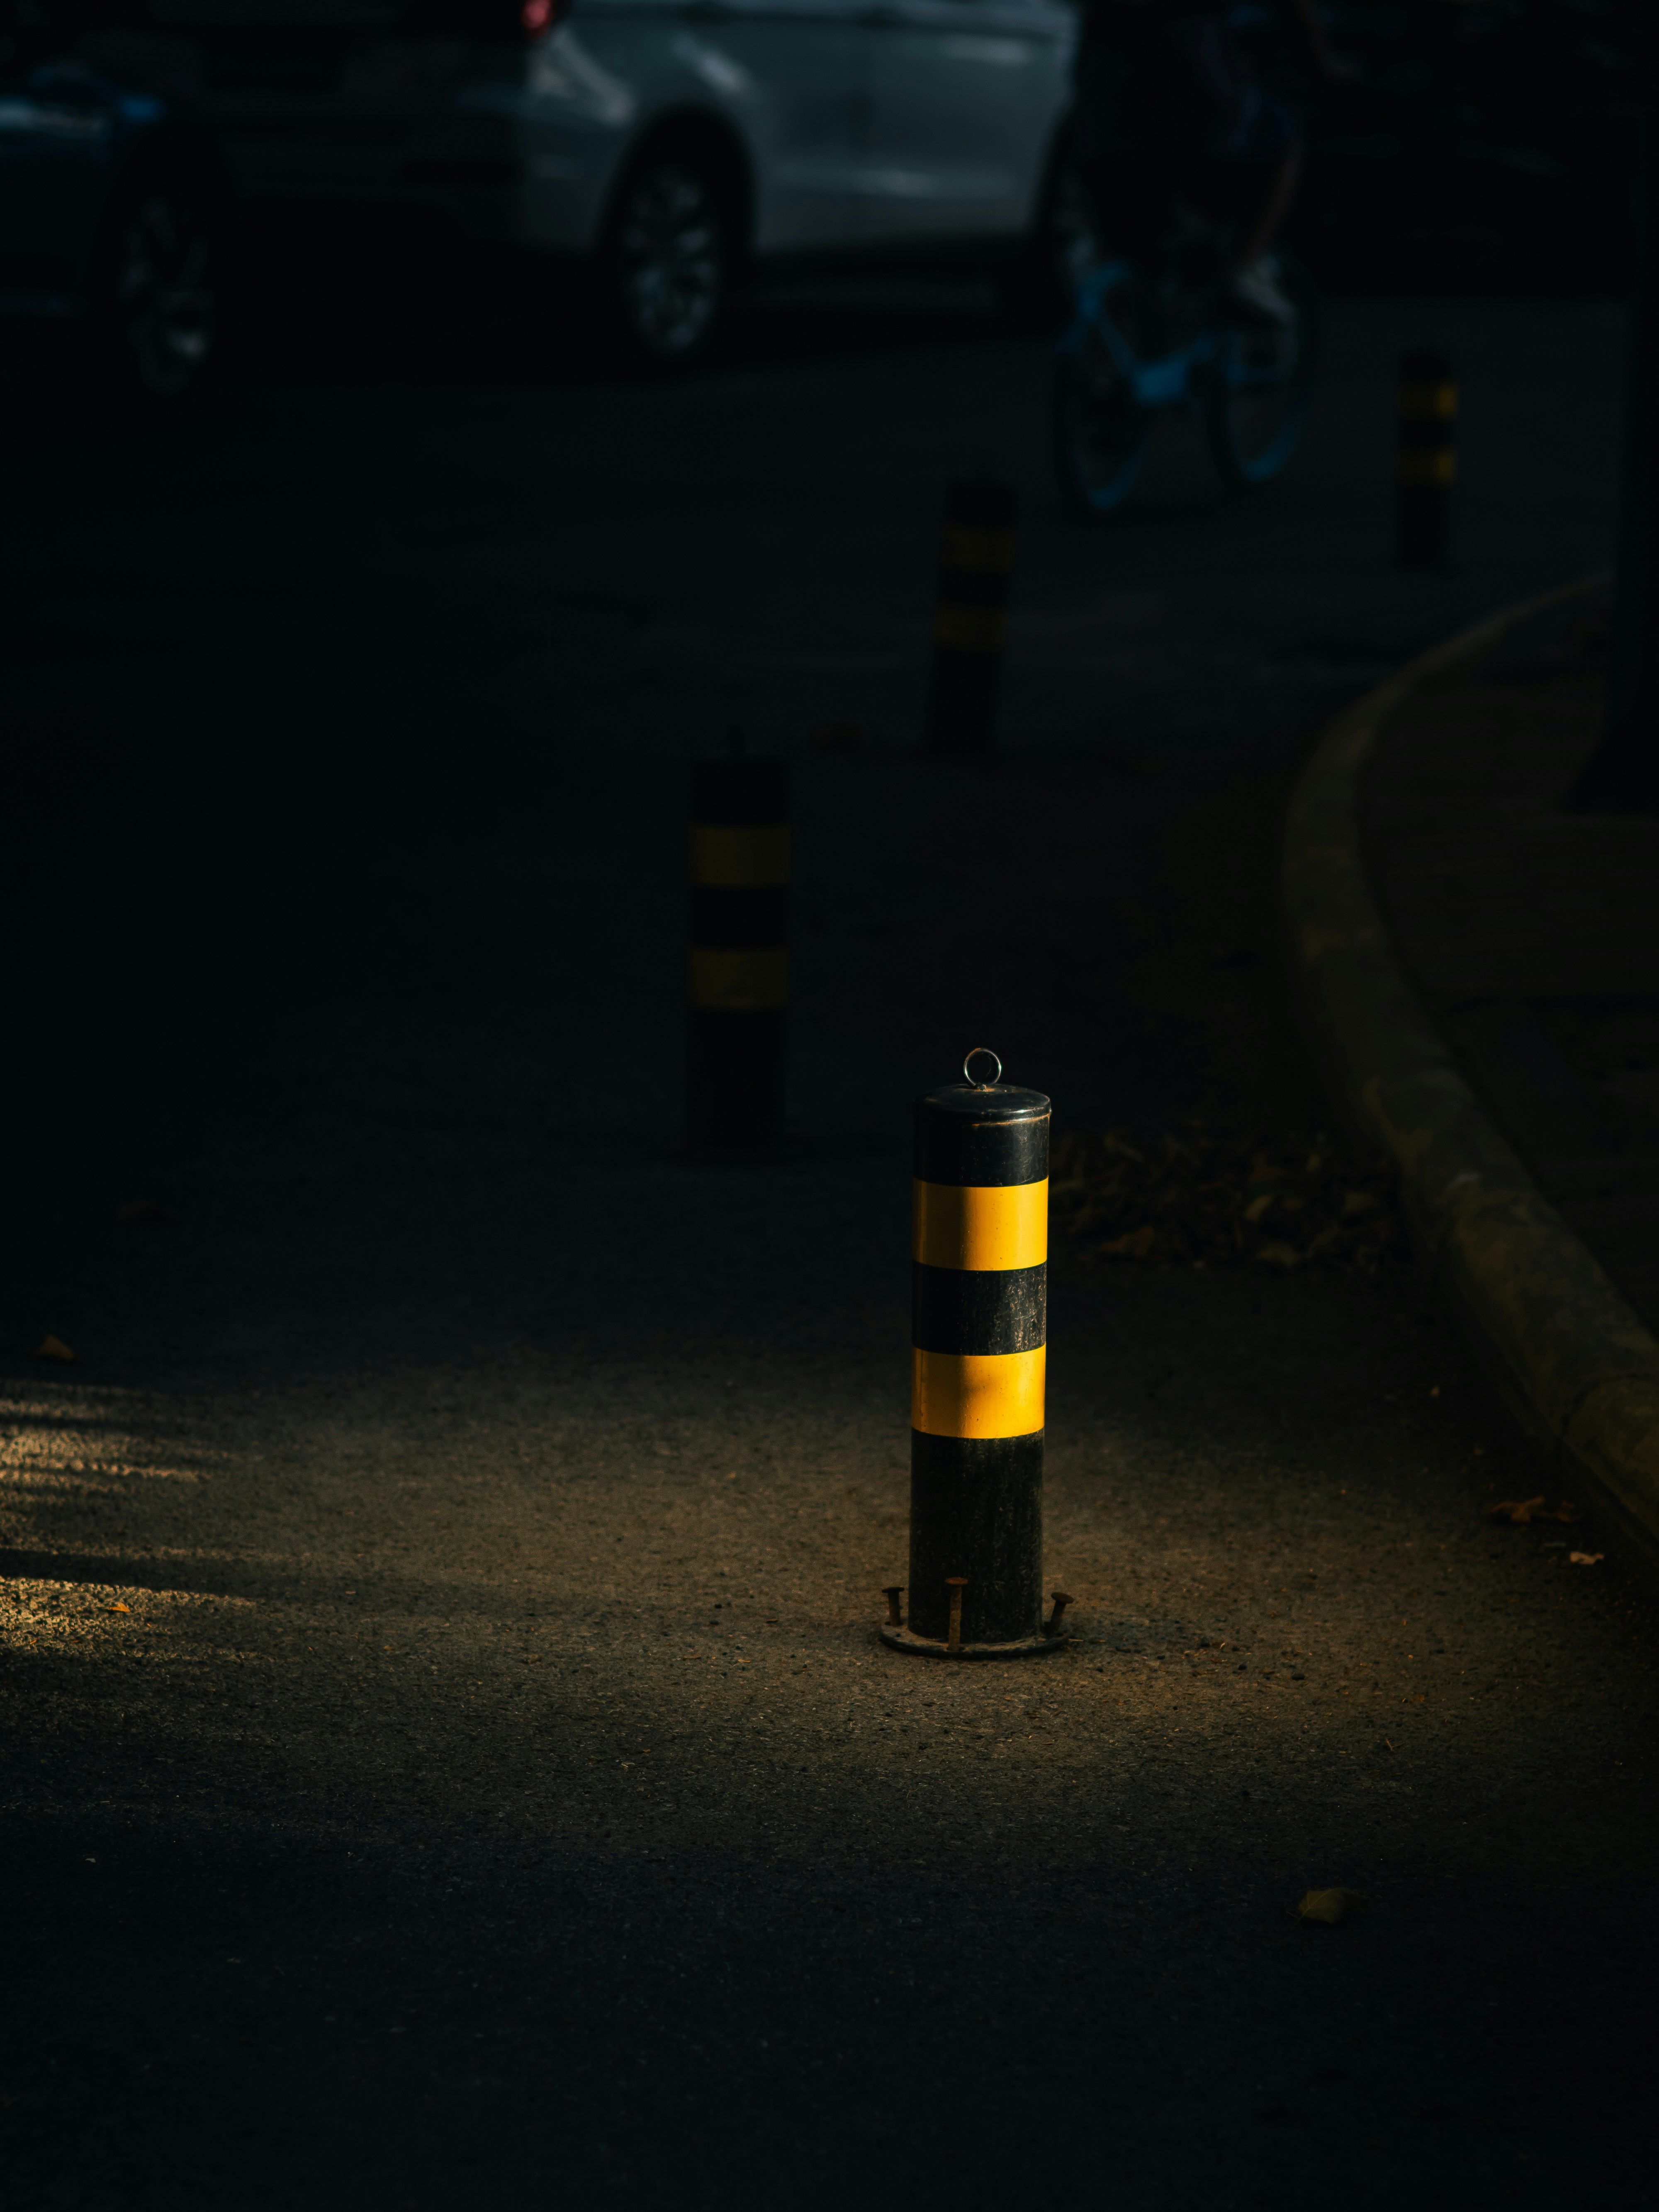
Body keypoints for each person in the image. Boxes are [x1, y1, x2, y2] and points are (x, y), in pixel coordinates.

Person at [1071, 0, 1354, 324]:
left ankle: (1105, 350)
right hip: (1193, 86)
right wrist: (1322, 63)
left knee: (1122, 248)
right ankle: (1244, 268)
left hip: (1100, 99)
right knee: (1278, 136)